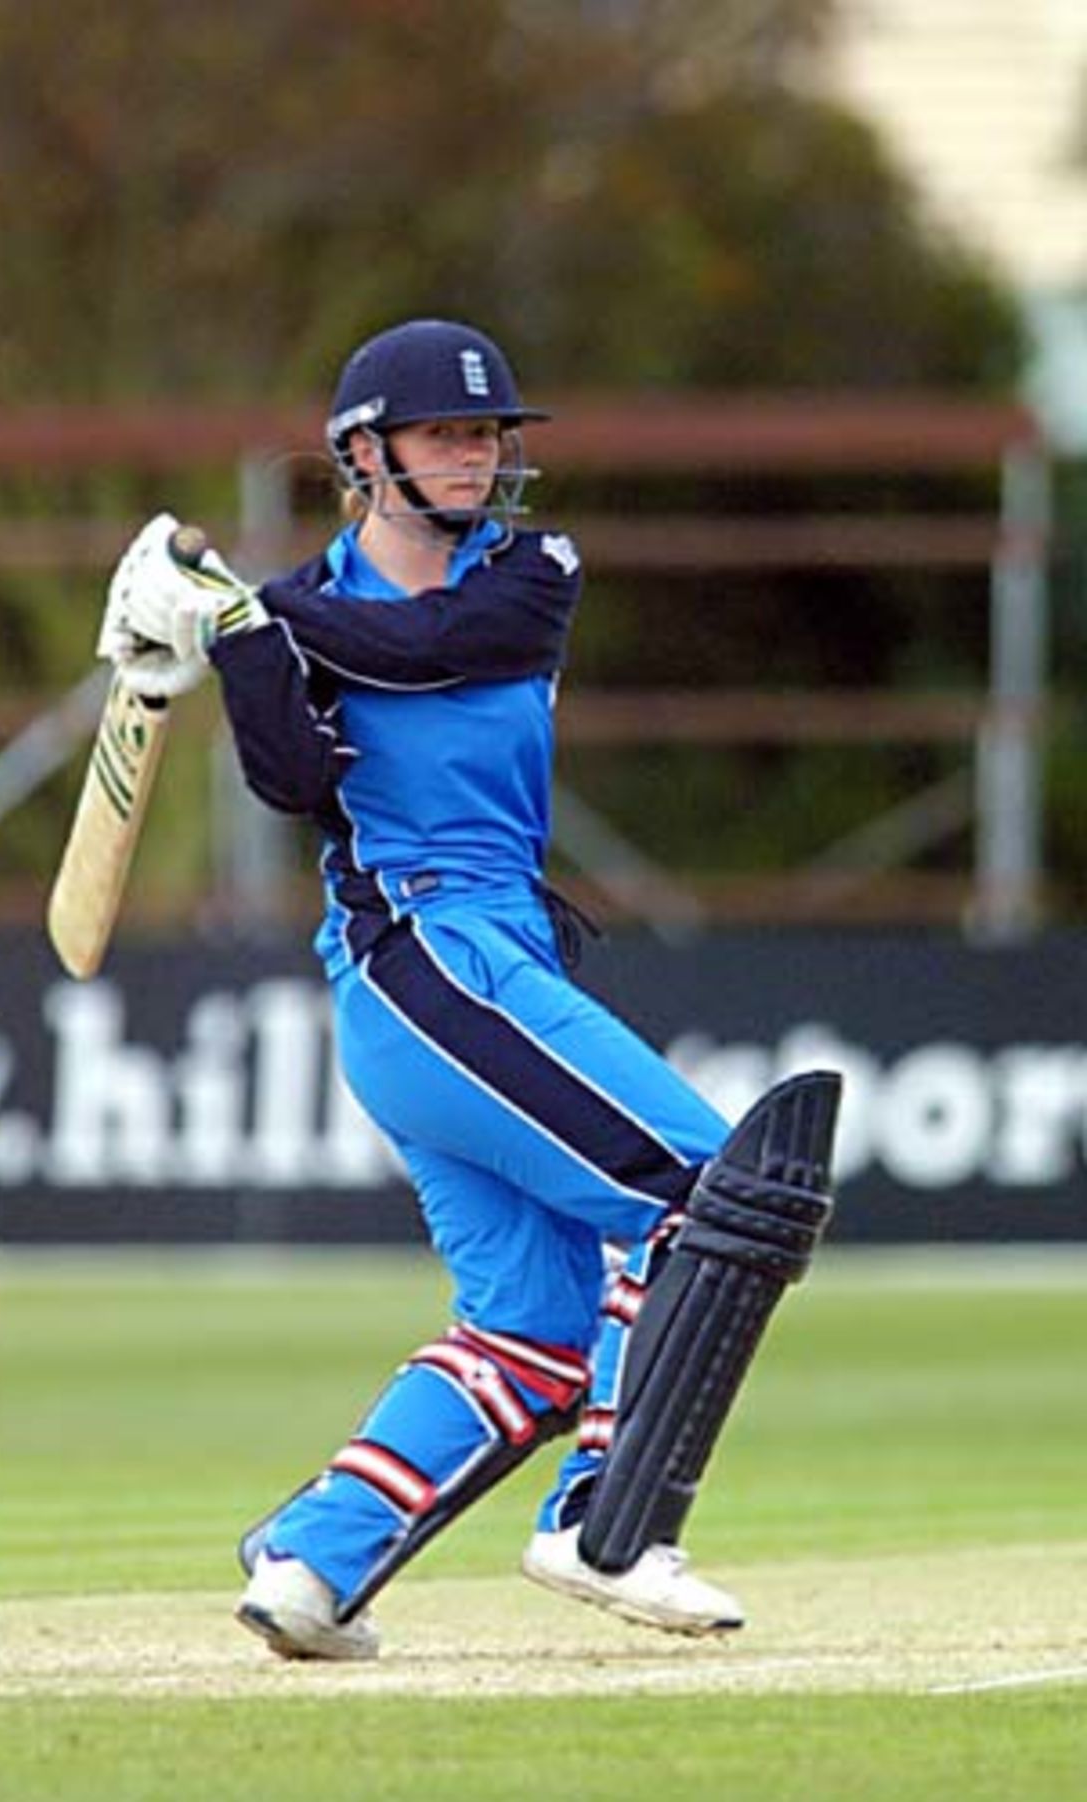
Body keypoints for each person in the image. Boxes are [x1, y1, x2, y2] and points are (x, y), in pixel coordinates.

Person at [104, 319, 836, 1664]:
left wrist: (227, 617)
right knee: (706, 1193)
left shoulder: (530, 572)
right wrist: (227, 638)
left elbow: (430, 647)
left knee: (539, 1322)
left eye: (492, 435)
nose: (482, 457)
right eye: (448, 433)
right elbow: (288, 778)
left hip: (482, 968)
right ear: (365, 455)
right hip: (426, 964)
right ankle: (608, 1524)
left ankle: (312, 1565)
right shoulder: (289, 617)